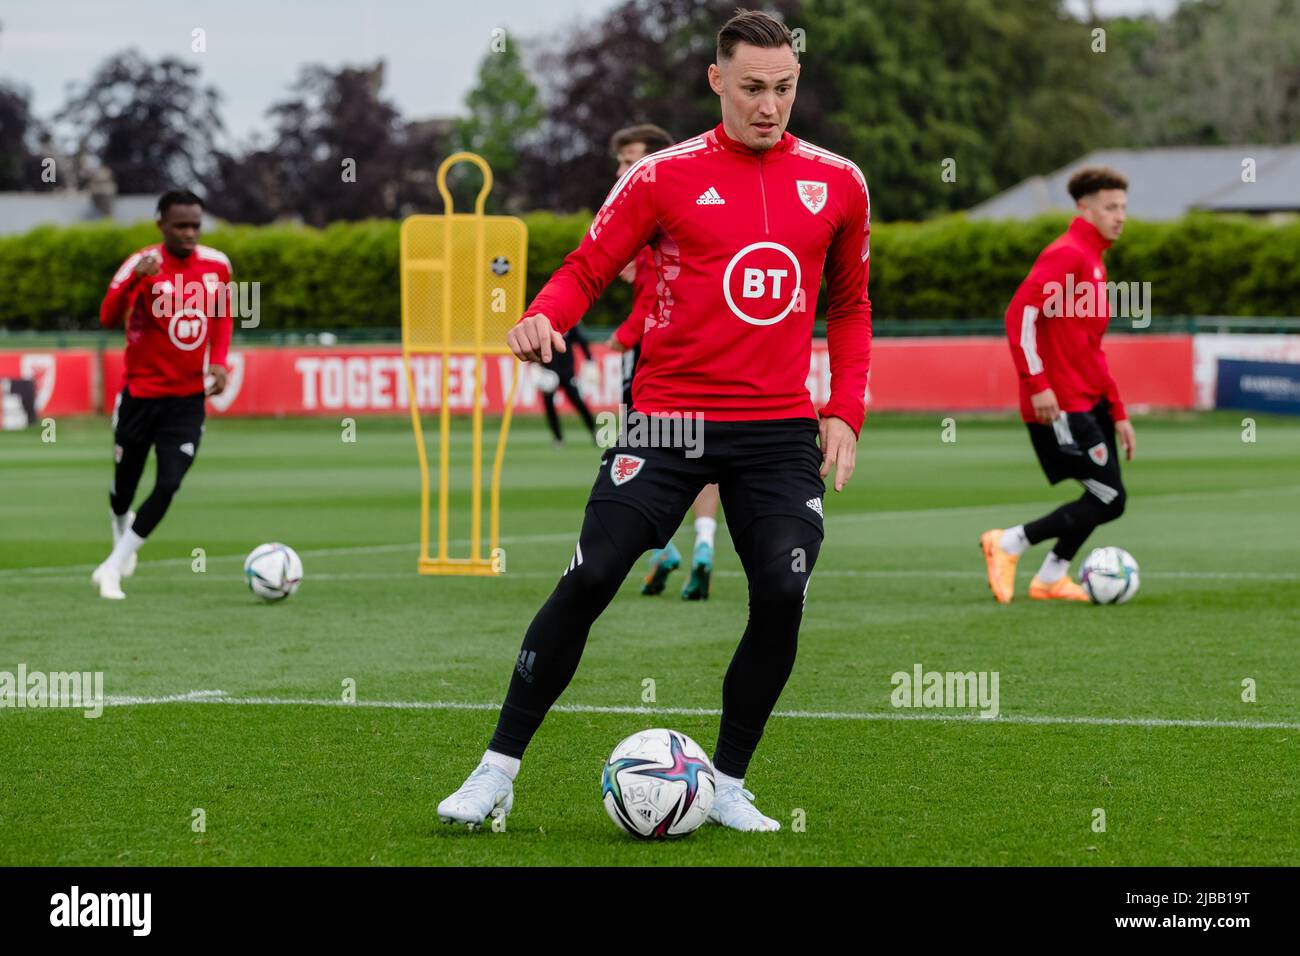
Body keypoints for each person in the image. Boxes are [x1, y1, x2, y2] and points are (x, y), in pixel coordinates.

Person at [438, 8, 870, 832]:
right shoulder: (660, 176)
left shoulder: (840, 182)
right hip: (667, 422)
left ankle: (730, 784)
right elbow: (588, 263)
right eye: (751, 87)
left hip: (779, 427)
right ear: (717, 81)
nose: (769, 104)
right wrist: (544, 316)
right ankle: (496, 770)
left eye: (783, 88)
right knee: (594, 574)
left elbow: (851, 307)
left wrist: (844, 409)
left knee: (783, 588)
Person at [980, 167, 1136, 604]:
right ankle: (1009, 542)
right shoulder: (1067, 253)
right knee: (1109, 497)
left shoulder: (1094, 260)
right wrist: (1037, 385)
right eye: (1110, 207)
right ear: (1084, 209)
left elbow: (1093, 347)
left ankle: (1051, 576)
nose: (1120, 216)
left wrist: (1118, 410)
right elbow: (1020, 316)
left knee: (1102, 494)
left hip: (1091, 401)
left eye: (1123, 207)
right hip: (1062, 404)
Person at [92, 190, 232, 600]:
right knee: (124, 489)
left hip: (186, 399)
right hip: (140, 396)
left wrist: (219, 361)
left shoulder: (217, 265)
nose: (190, 233)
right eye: (181, 226)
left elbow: (223, 315)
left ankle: (113, 566)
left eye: (196, 225)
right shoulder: (141, 265)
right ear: (161, 226)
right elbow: (106, 316)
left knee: (169, 482)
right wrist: (137, 278)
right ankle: (120, 526)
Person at [605, 122, 720, 600]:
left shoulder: (656, 212)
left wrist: (623, 337)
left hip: (657, 363)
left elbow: (656, 299)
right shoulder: (687, 206)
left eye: (630, 160)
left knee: (642, 456)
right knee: (700, 458)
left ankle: (662, 548)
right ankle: (704, 547)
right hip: (705, 358)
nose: (622, 170)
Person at [537, 324, 598, 446]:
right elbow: (535, 345)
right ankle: (558, 438)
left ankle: (594, 432)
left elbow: (582, 342)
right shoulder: (544, 323)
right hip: (549, 373)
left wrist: (590, 361)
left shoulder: (568, 323)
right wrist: (535, 366)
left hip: (567, 373)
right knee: (549, 406)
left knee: (578, 402)